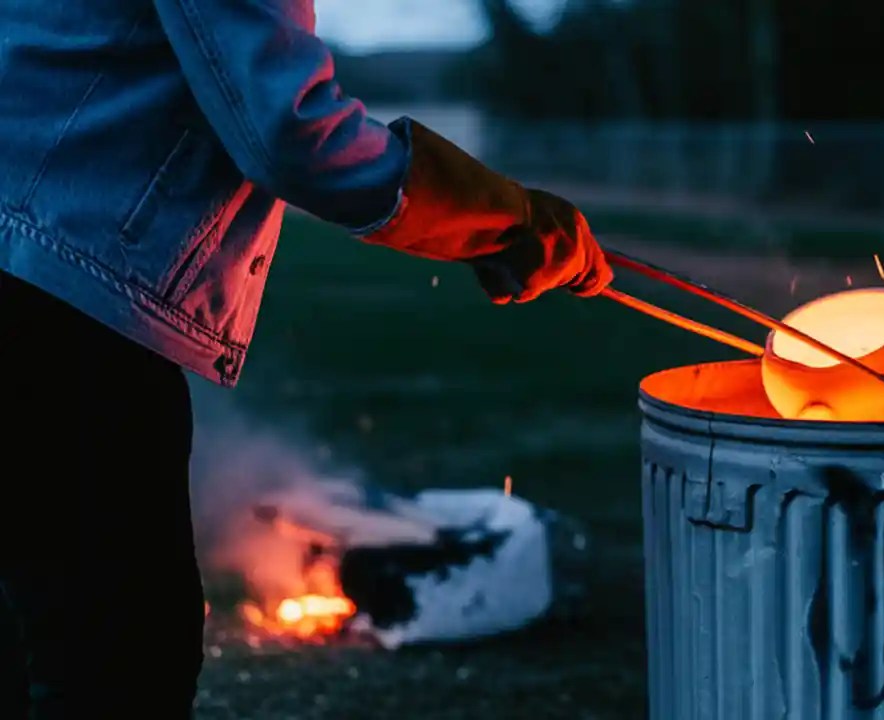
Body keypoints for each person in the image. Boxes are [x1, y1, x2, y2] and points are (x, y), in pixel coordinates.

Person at [0, 1, 612, 717]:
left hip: (36, 275)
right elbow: (292, 132)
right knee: (120, 663)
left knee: (32, 637)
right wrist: (509, 220)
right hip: (55, 302)